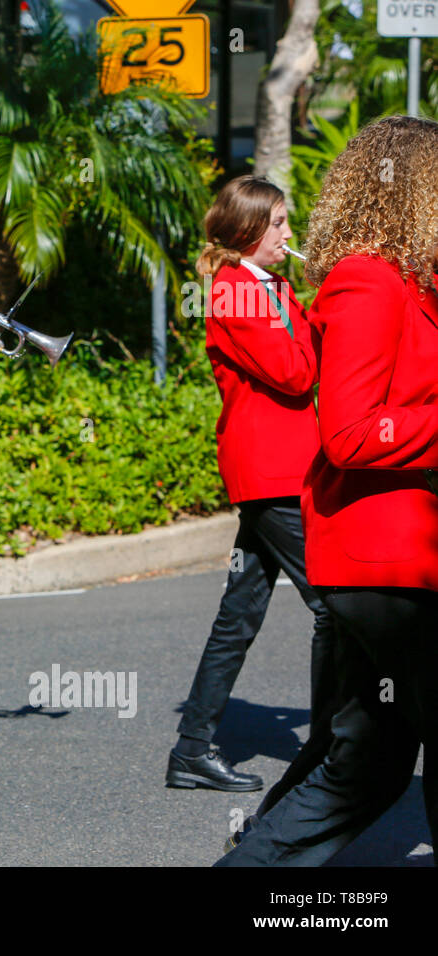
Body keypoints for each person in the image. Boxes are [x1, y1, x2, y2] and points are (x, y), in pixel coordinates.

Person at [217, 116, 438, 865]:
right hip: (382, 554)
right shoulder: (368, 279)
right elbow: (349, 430)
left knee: (366, 766)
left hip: (392, 555)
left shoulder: (404, 281)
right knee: (359, 761)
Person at [166, 174, 335, 795]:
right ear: (249, 231)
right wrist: (321, 309)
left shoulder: (265, 287)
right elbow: (295, 373)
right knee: (332, 607)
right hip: (274, 471)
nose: (290, 234)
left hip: (278, 467)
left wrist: (306, 303)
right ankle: (332, 749)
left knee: (237, 617)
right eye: (281, 223)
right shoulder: (237, 292)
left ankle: (191, 751)